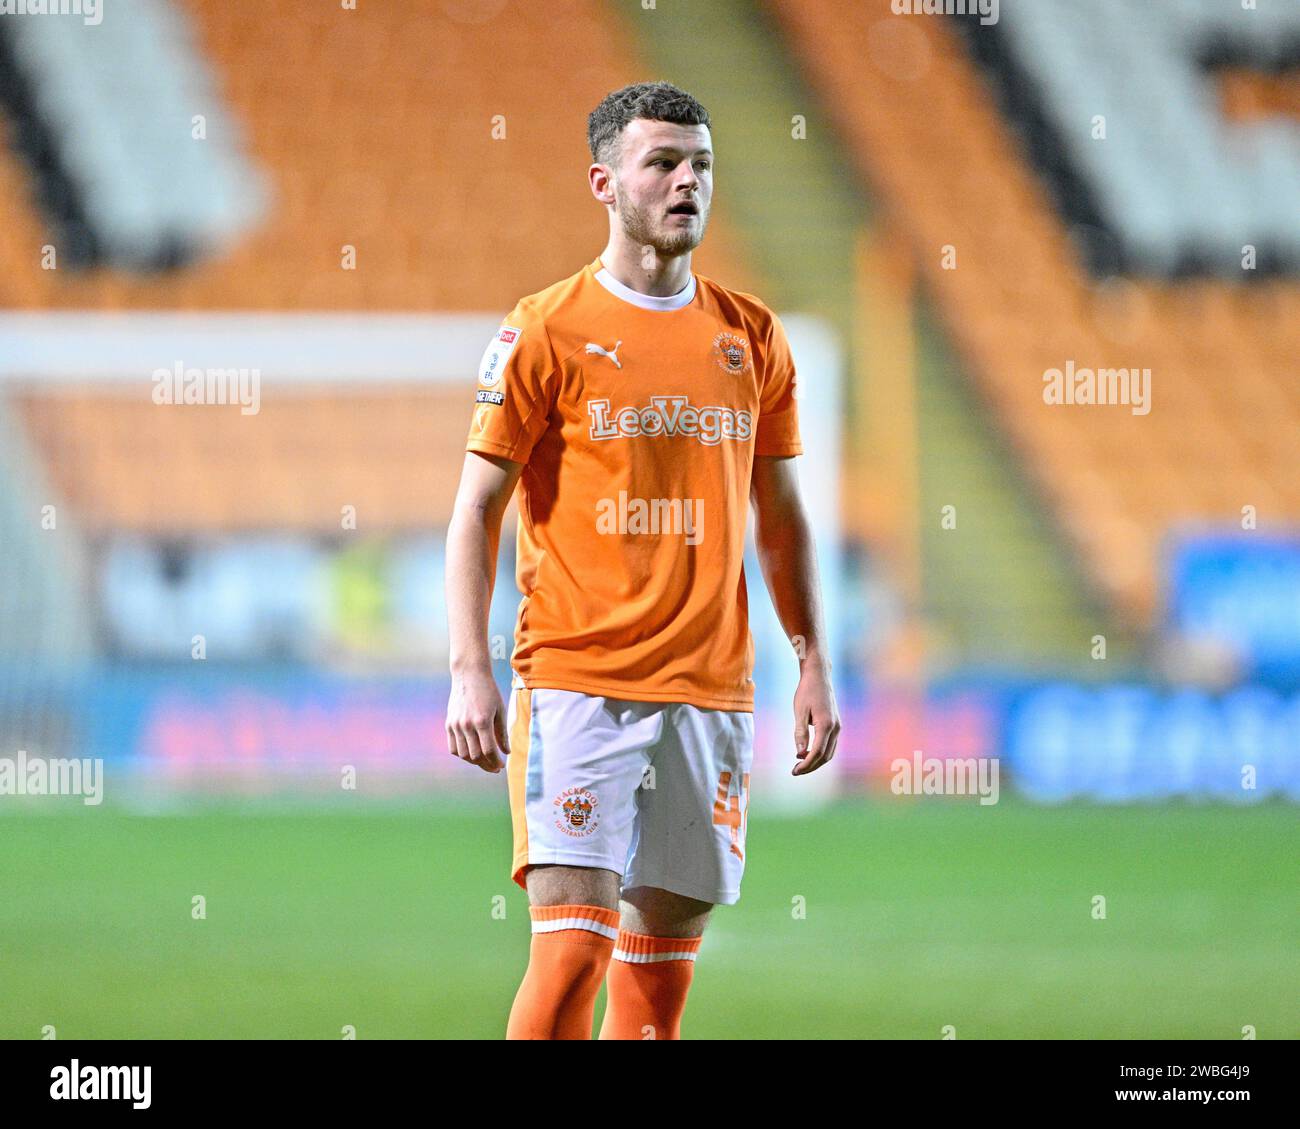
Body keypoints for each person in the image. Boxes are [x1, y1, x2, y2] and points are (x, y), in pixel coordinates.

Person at [444, 80, 840, 1040]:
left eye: (700, 163)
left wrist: (812, 658)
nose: (686, 181)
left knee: (657, 993)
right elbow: (476, 511)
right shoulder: (545, 328)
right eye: (661, 162)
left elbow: (780, 516)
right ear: (604, 181)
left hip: (712, 691)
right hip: (582, 680)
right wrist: (468, 668)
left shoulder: (751, 337)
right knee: (572, 948)